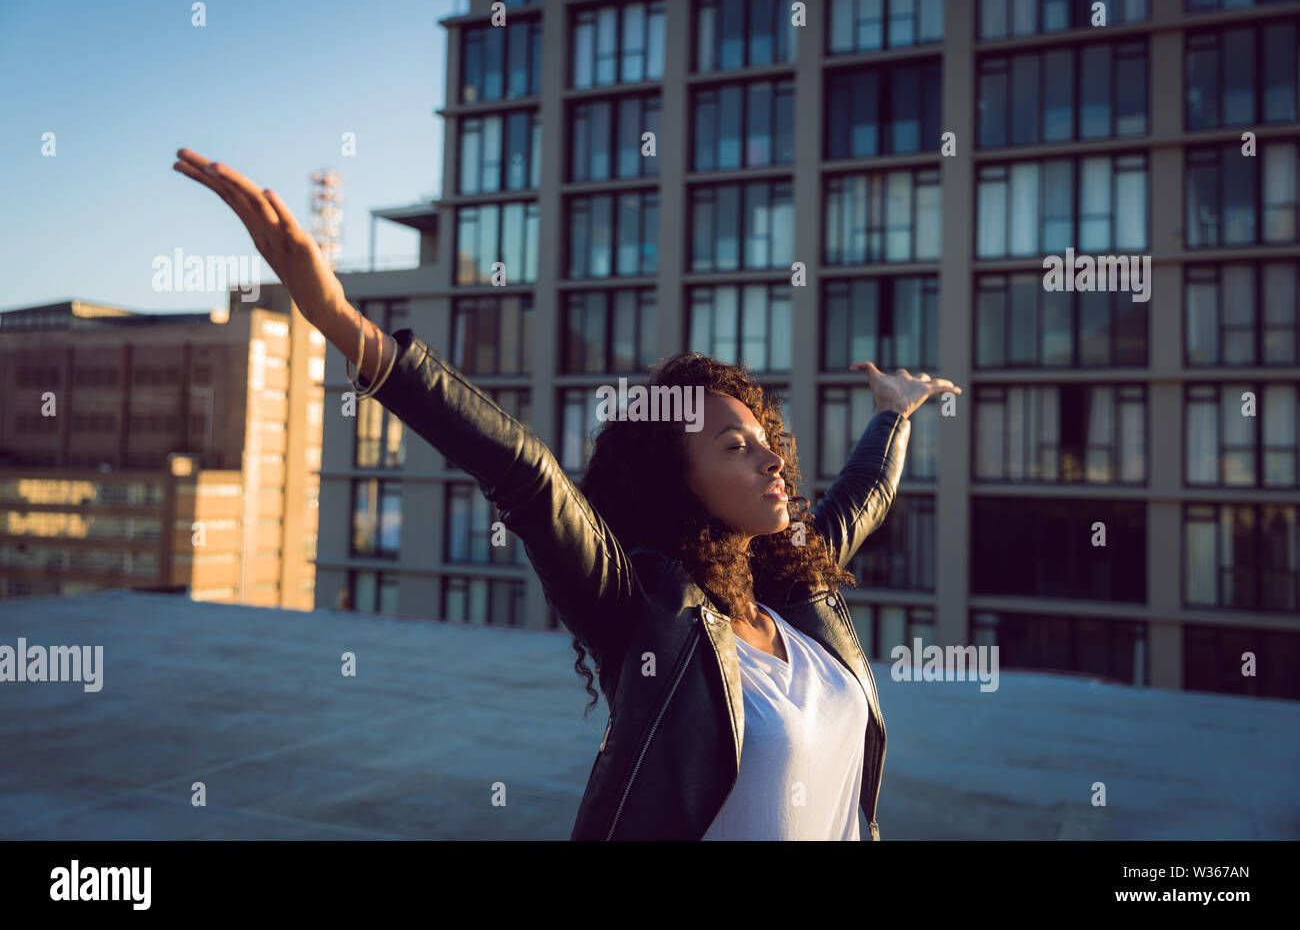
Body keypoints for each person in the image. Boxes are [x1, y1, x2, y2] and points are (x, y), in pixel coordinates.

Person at [172, 148, 961, 841]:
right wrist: (349, 328)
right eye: (735, 447)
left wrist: (893, 416)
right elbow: (528, 477)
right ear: (677, 486)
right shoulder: (652, 620)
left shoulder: (795, 589)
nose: (772, 461)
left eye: (766, 441)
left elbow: (857, 500)